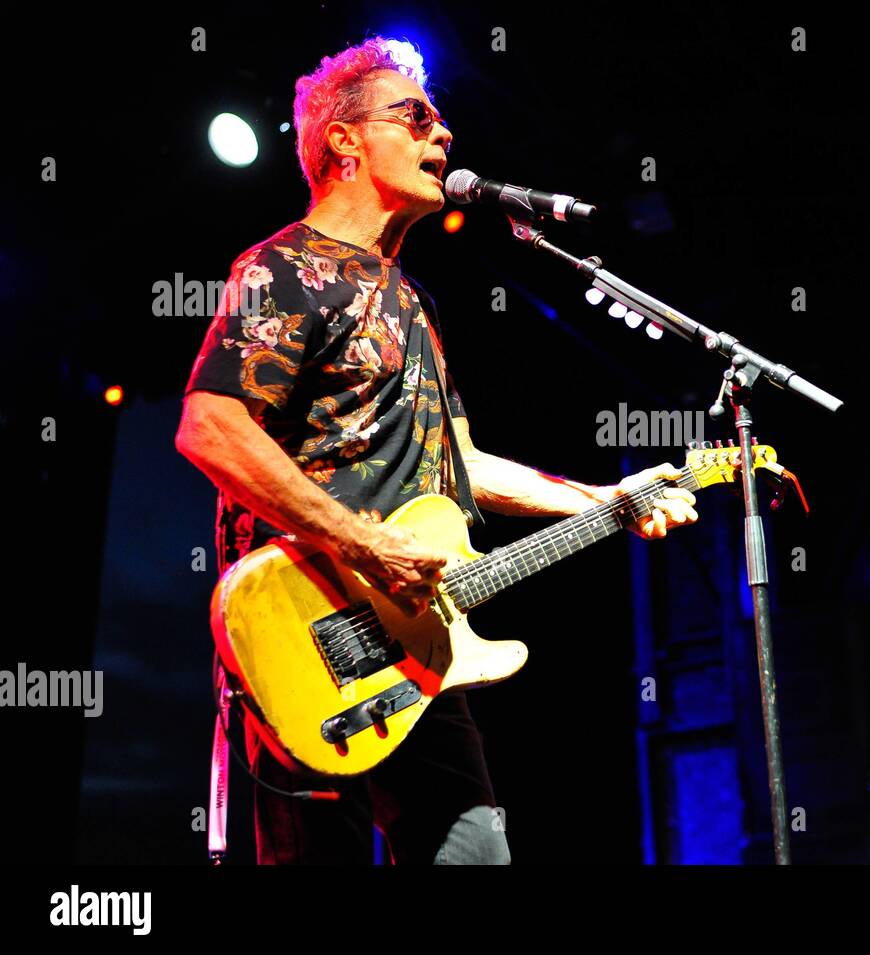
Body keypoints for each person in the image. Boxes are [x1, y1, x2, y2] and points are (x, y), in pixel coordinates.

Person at [175, 38, 699, 864]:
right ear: (344, 140)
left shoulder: (412, 300)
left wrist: (611, 497)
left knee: (475, 851)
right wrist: (362, 541)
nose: (443, 135)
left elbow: (462, 463)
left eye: (443, 121)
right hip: (302, 639)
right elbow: (210, 426)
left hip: (416, 647)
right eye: (415, 117)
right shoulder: (286, 268)